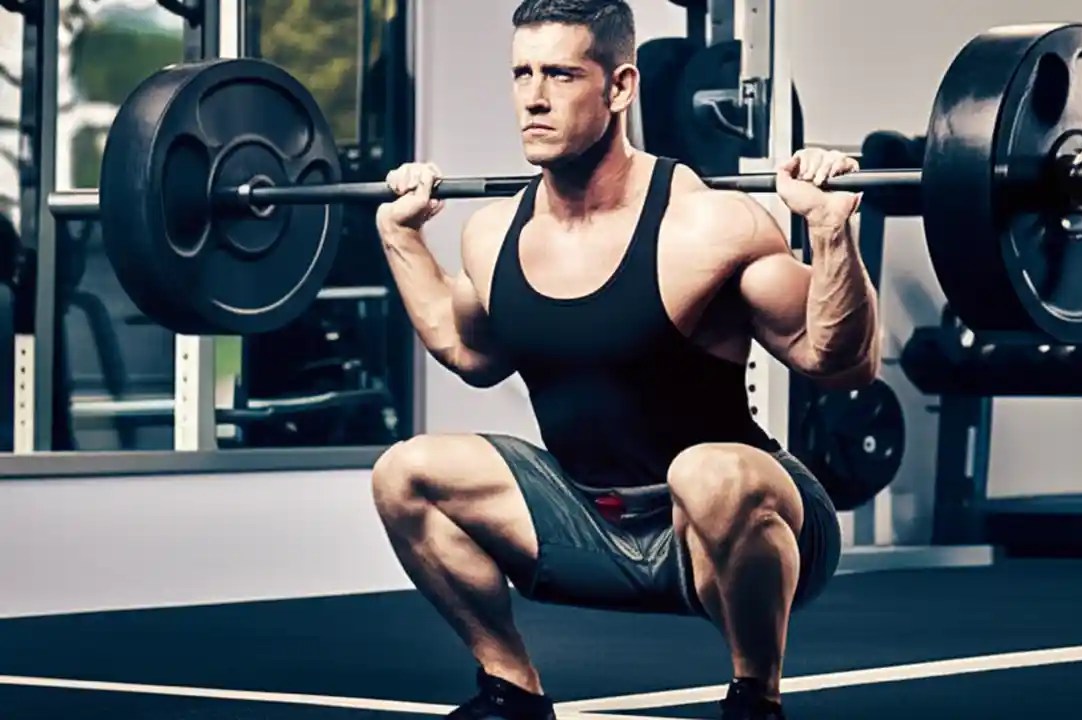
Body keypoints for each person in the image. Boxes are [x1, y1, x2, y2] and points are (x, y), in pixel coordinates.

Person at [370, 1, 880, 718]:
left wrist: (830, 233)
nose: (534, 96)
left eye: (560, 73)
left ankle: (754, 696)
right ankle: (510, 688)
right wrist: (400, 238)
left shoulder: (707, 225)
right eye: (521, 73)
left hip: (726, 526)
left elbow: (840, 363)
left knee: (708, 469)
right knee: (406, 472)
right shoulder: (492, 235)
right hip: (586, 518)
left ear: (620, 87)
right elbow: (468, 351)